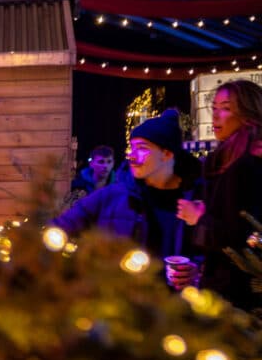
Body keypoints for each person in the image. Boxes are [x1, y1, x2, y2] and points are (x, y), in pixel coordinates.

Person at [54, 109, 200, 274]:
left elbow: (213, 256)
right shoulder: (111, 196)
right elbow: (60, 228)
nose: (132, 156)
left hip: (176, 298)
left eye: (142, 148)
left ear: (166, 154)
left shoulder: (198, 200)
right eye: (132, 148)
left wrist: (195, 272)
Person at [174, 80, 262, 315]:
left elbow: (244, 236)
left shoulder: (246, 164)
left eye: (225, 107)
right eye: (213, 108)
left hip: (238, 297)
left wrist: (199, 219)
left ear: (247, 112)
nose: (216, 116)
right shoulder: (227, 161)